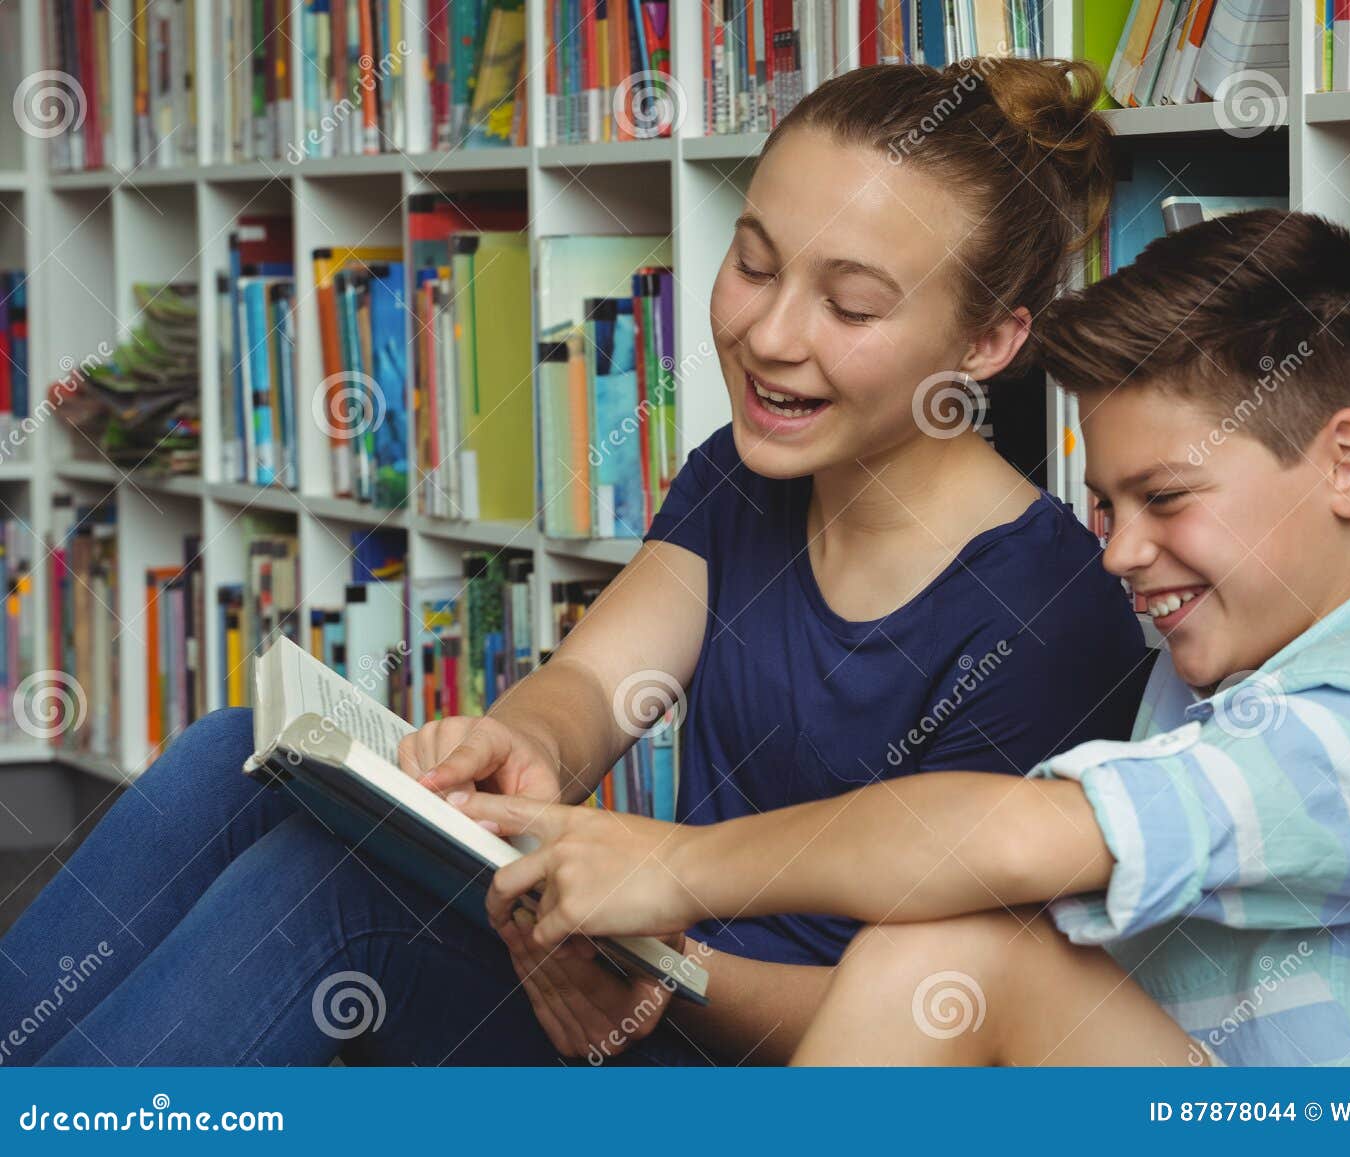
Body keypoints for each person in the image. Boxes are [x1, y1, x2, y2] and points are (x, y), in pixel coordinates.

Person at [0, 58, 1149, 1065]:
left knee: (322, 891)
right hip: (621, 969)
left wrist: (656, 980)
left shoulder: (1046, 618)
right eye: (753, 265)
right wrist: (529, 741)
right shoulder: (745, 478)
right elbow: (599, 683)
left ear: (991, 340)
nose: (769, 333)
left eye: (849, 304)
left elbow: (955, 1014)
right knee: (232, 754)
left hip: (777, 1055)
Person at [468, 210, 1350, 1067]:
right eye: (1105, 506)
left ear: (1348, 465)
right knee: (955, 945)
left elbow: (996, 841)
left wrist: (674, 865)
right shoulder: (1220, 681)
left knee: (962, 947)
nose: (1117, 552)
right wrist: (672, 973)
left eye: (1164, 496)